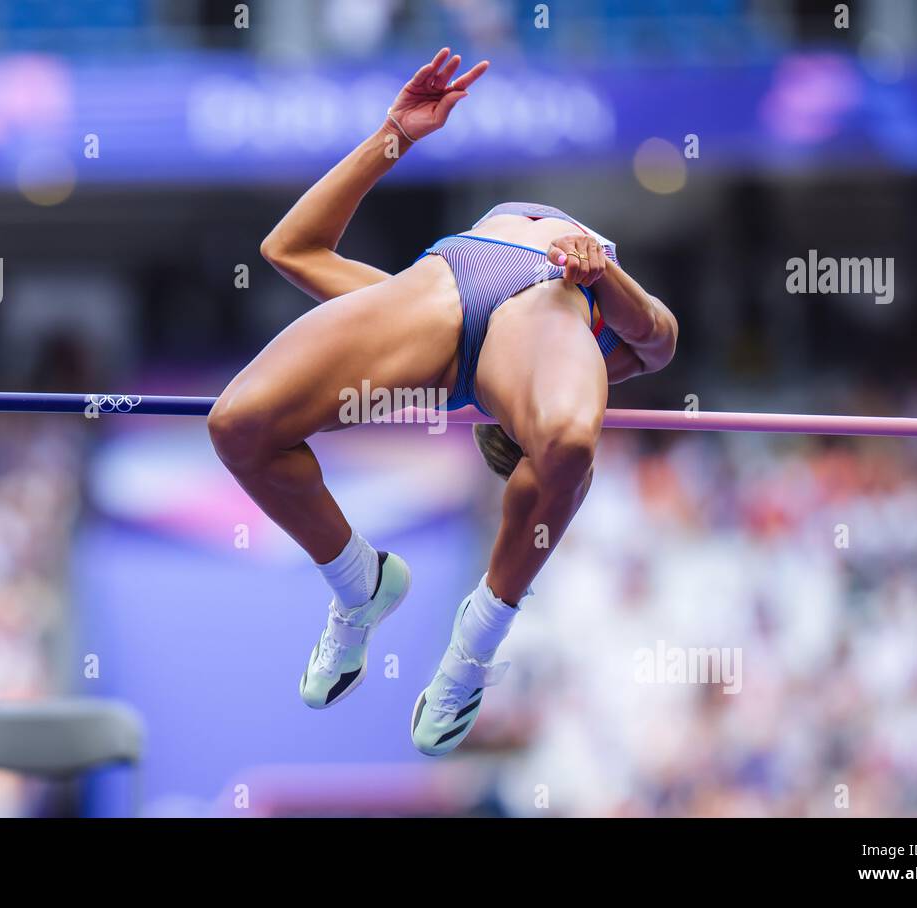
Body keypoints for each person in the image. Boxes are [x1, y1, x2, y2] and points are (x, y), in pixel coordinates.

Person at [209, 48, 677, 755]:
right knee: (235, 425)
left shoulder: (495, 370)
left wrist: (392, 135)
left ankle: (451, 637)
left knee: (241, 424)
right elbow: (661, 337)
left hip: (458, 293)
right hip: (475, 276)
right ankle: (387, 602)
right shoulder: (590, 360)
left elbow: (290, 248)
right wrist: (603, 274)